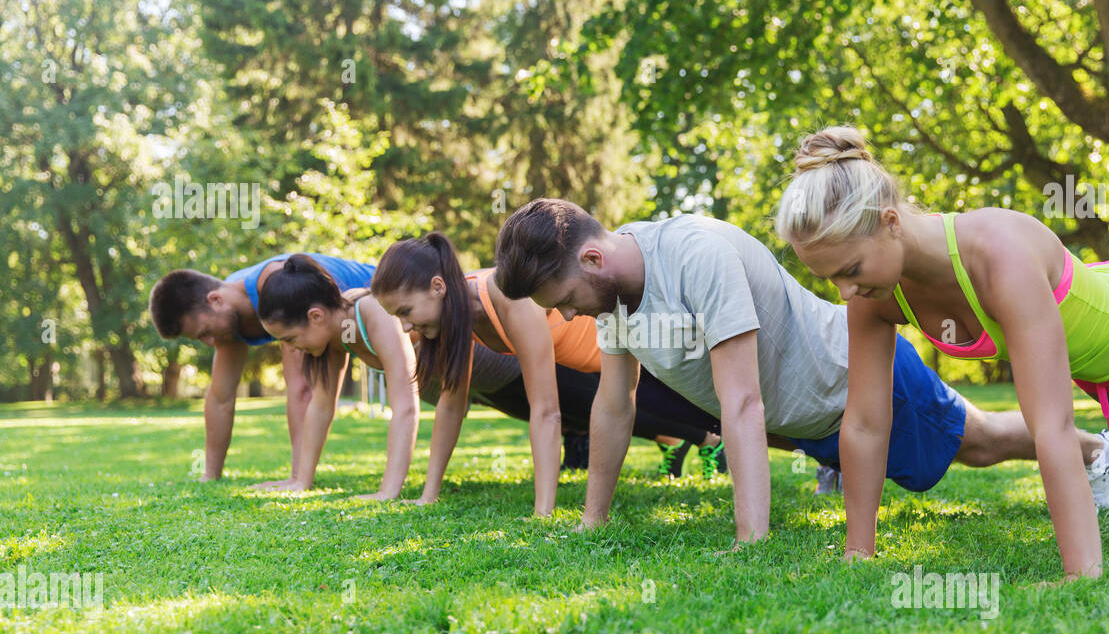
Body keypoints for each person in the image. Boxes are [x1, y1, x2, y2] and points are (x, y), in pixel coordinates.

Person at [774, 125, 1109, 579]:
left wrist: (1082, 575)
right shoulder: (877, 296)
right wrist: (857, 554)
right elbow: (866, 423)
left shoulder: (999, 253)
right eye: (830, 278)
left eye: (850, 271)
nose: (843, 292)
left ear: (889, 222)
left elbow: (1050, 426)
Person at [491, 198, 1109, 550]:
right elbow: (612, 404)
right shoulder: (614, 294)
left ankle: (1104, 453)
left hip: (853, 382)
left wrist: (752, 541)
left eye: (565, 299)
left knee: (980, 443)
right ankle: (836, 463)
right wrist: (592, 520)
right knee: (969, 445)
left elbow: (741, 404)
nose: (567, 315)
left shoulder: (696, 255)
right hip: (805, 422)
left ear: (594, 257)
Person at [368, 232, 725, 515]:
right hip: (600, 366)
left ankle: (715, 445)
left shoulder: (508, 299)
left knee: (726, 413)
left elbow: (546, 410)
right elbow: (450, 406)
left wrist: (544, 512)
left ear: (437, 287)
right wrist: (429, 495)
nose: (403, 327)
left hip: (638, 357)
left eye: (405, 311)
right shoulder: (455, 315)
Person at [148, 253, 374, 485]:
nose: (210, 342)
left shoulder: (277, 286)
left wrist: (297, 480)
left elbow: (303, 389)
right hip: (358, 335)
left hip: (386, 301)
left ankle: (301, 475)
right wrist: (210, 476)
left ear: (215, 300)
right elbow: (220, 399)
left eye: (204, 331)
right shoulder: (228, 314)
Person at [255, 255, 418, 499]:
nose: (290, 349)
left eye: (289, 339)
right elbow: (320, 406)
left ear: (316, 316)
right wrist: (300, 481)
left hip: (485, 364)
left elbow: (406, 406)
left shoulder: (372, 311)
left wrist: (387, 492)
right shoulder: (333, 335)